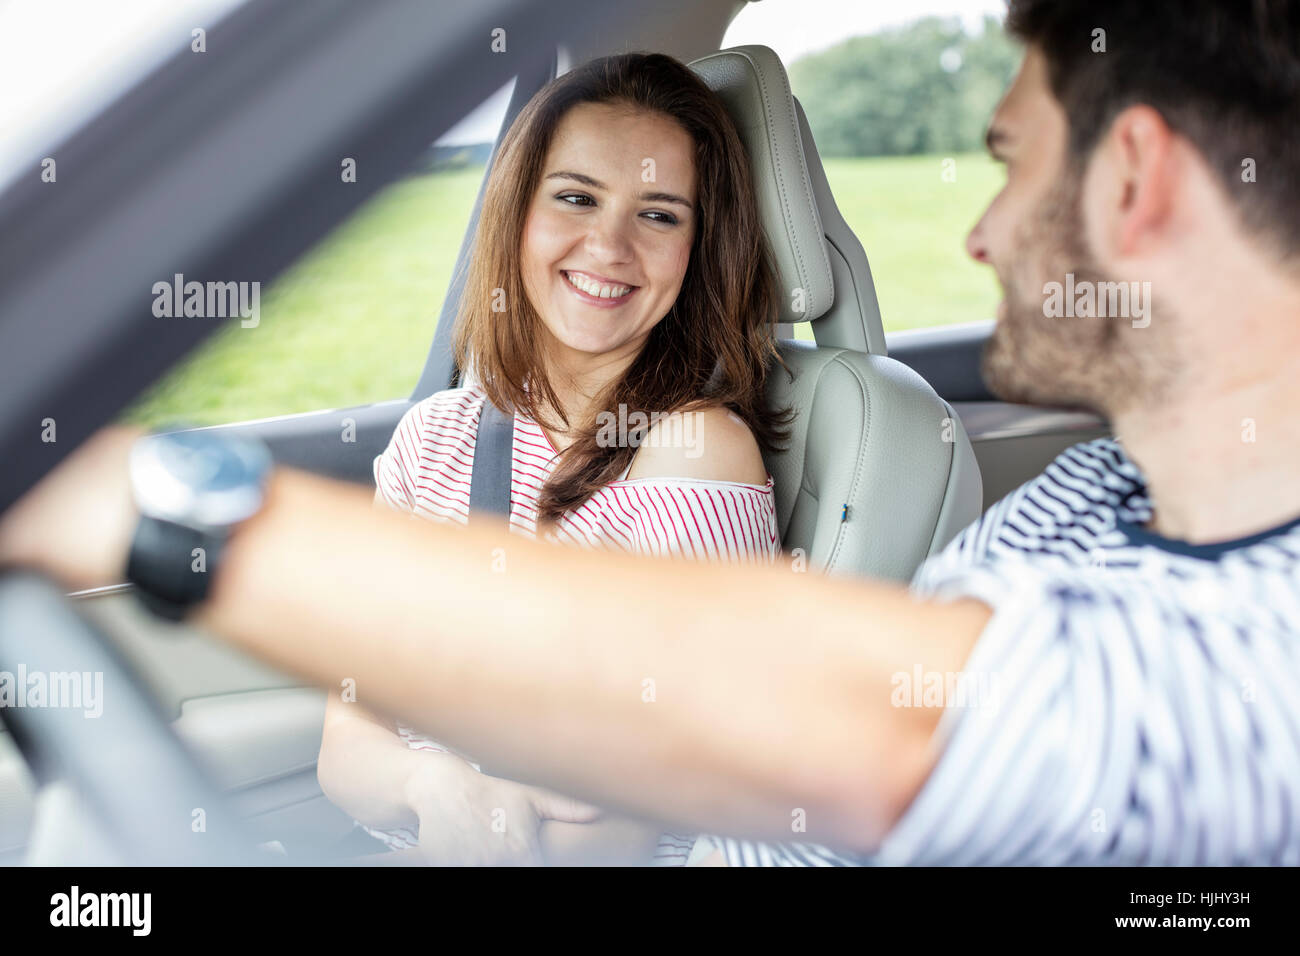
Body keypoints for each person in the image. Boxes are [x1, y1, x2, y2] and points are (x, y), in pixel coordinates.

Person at [3, 0, 1299, 865]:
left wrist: (148, 500)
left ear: (1131, 182)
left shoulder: (1261, 651)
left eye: (1010, 162)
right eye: (572, 198)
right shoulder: (1066, 506)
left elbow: (869, 719)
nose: (977, 235)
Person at [314, 52, 788, 866]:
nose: (609, 247)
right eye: (576, 197)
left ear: (698, 249)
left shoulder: (689, 451)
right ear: (517, 214)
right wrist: (439, 790)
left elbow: (661, 793)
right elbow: (347, 739)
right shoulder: (435, 435)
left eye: (660, 215)